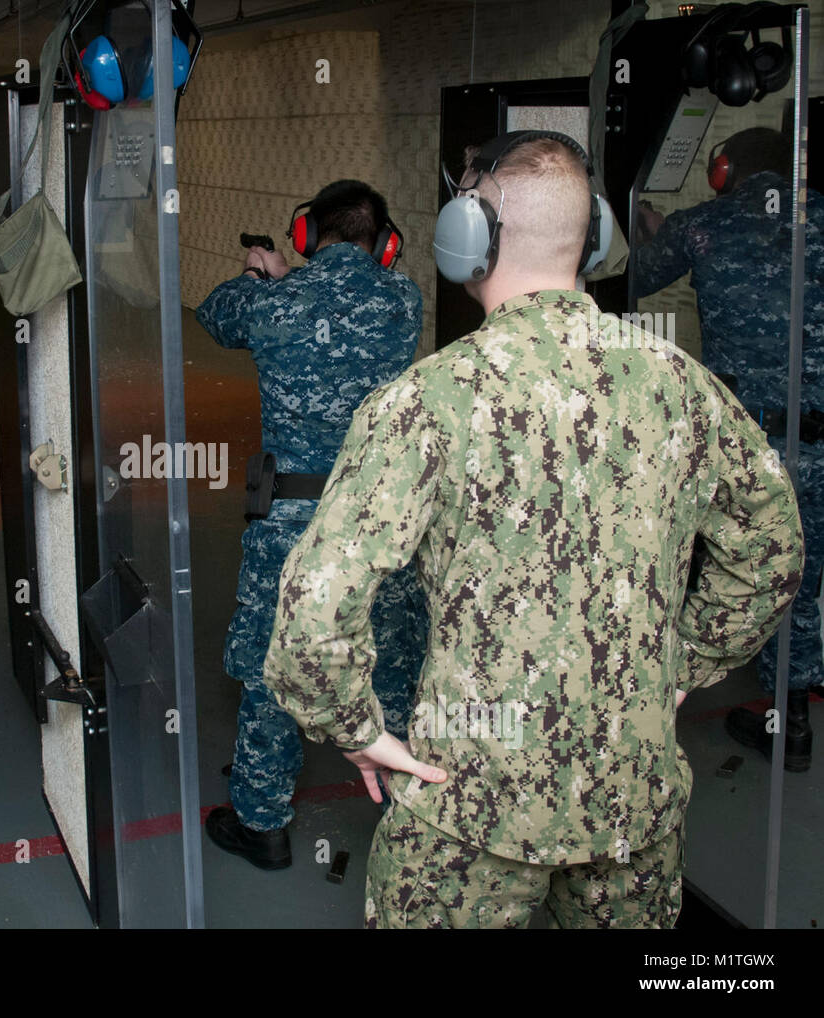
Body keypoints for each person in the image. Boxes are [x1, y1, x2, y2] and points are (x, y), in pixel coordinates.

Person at [262, 134, 804, 927]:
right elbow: (772, 550)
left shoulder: (425, 401)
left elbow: (315, 608)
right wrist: (687, 661)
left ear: (468, 238)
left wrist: (352, 727)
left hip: (466, 810)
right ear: (595, 240)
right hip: (633, 804)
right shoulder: (684, 386)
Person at [195, 179, 427, 870]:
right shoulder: (404, 299)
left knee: (275, 665)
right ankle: (414, 815)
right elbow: (350, 300)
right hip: (383, 518)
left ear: (304, 235)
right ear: (384, 244)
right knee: (395, 659)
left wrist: (265, 276)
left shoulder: (272, 303)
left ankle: (263, 822)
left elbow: (214, 314)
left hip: (293, 519)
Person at [636, 126, 822, 771]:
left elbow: (637, 276)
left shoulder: (705, 223)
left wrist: (657, 227)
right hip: (819, 437)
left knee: (706, 563)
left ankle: (667, 694)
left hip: (745, 443)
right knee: (803, 573)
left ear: (723, 171)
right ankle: (790, 716)